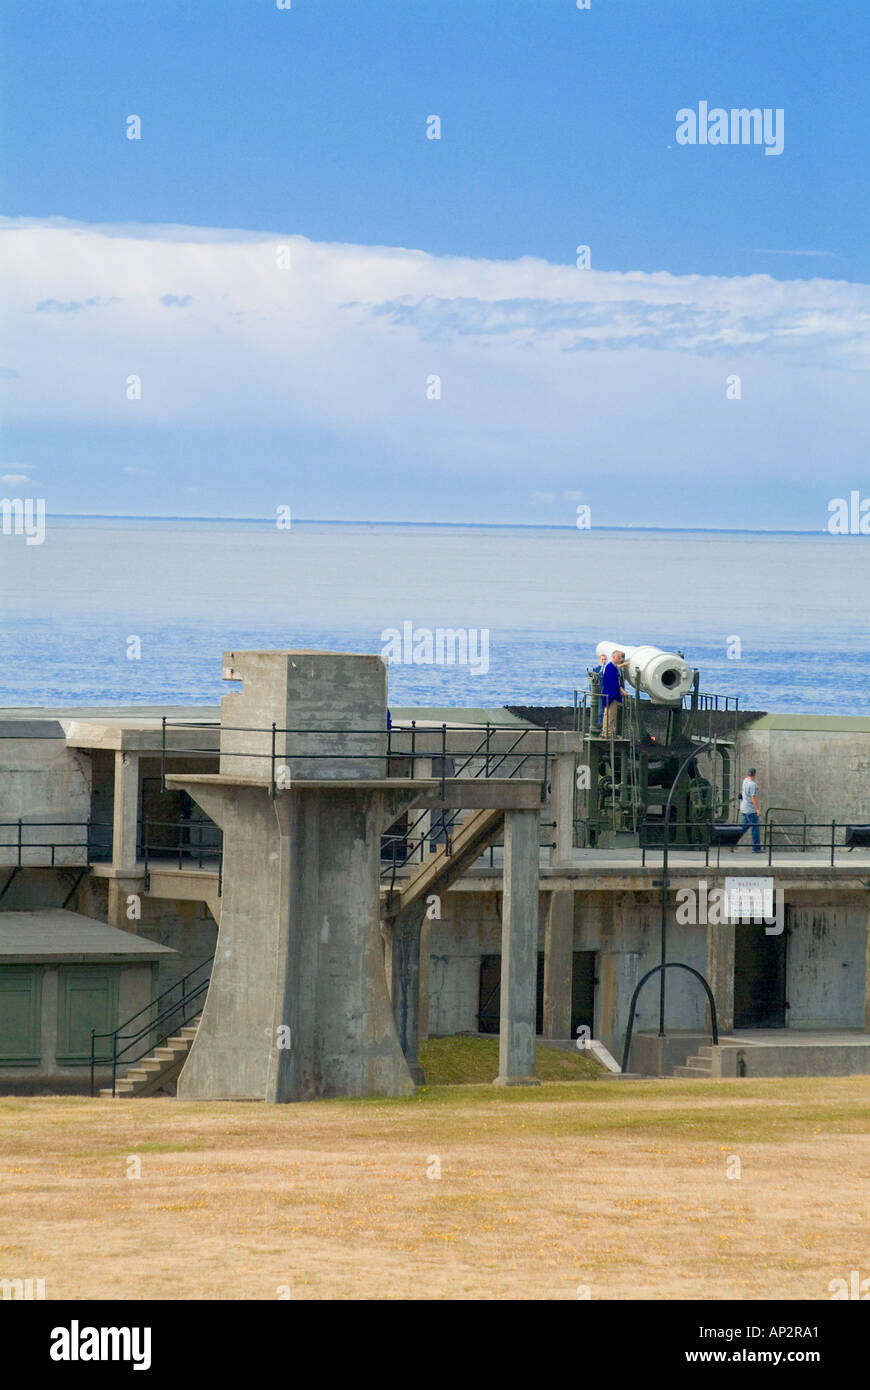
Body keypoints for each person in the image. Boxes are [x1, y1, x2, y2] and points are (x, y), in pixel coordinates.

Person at [600, 649, 628, 738]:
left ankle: (606, 732)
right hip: (611, 694)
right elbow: (614, 683)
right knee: (610, 714)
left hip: (609, 693)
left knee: (607, 713)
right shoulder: (610, 667)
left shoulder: (611, 666)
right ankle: (608, 733)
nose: (620, 660)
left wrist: (623, 665)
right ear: (614, 657)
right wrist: (623, 692)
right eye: (619, 658)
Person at [740, 766, 762, 853]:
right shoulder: (752, 784)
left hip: (744, 808)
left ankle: (731, 842)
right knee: (755, 828)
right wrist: (757, 809)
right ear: (754, 774)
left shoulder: (745, 781)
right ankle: (756, 848)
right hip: (751, 810)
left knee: (743, 828)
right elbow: (753, 797)